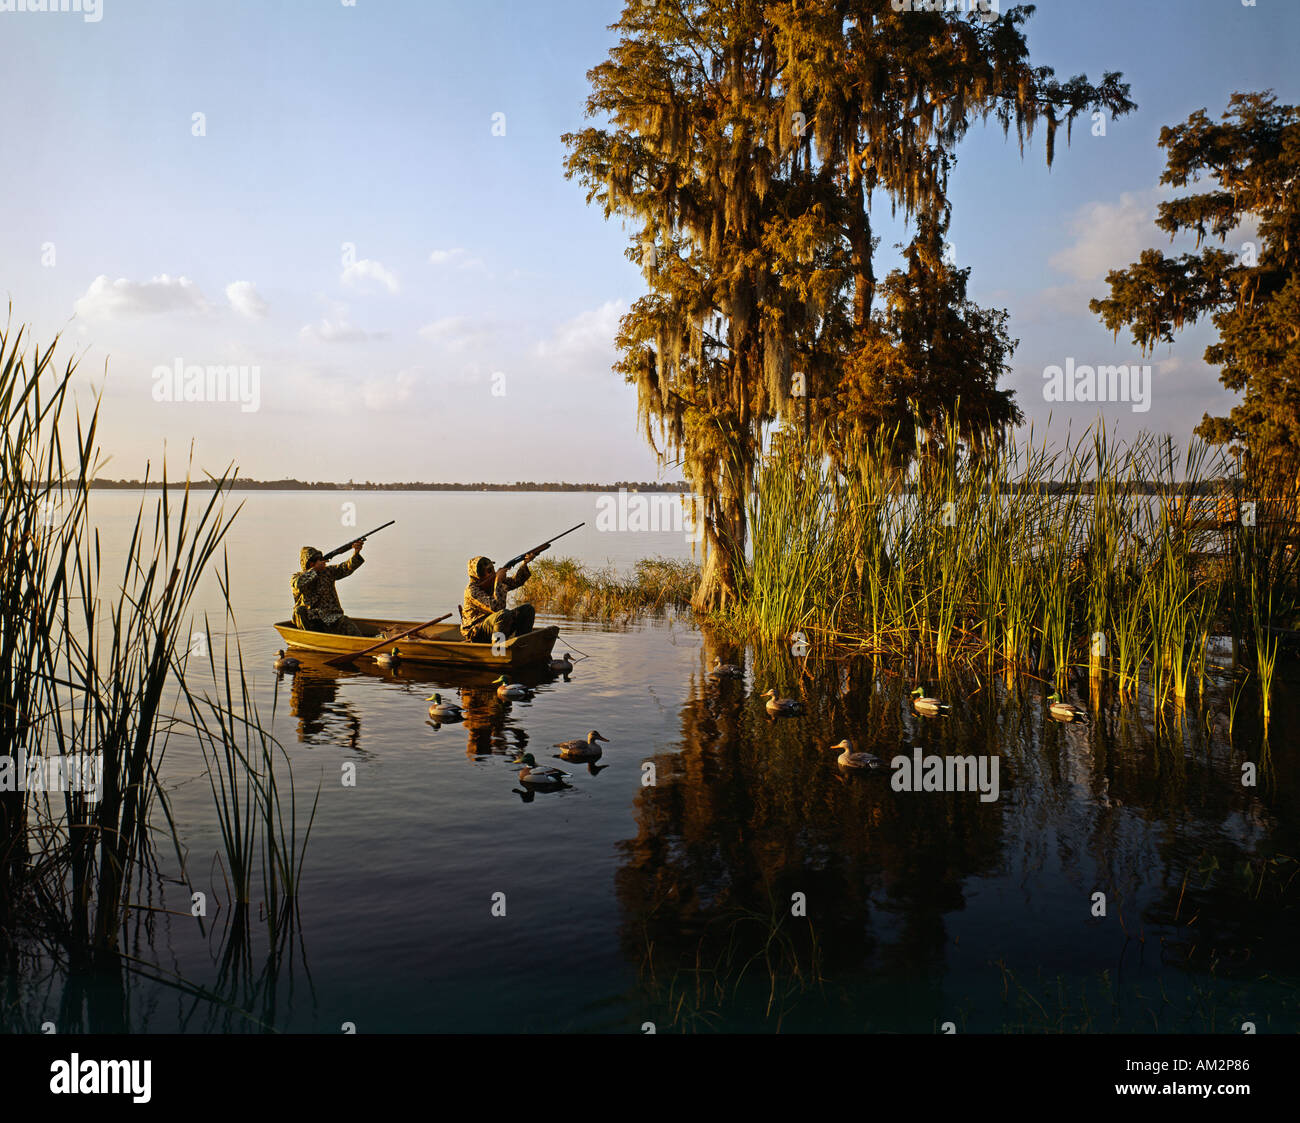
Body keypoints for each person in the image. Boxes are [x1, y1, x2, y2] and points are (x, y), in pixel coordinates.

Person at [291, 540, 366, 635]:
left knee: (345, 622)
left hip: (330, 617)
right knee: (299, 611)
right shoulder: (297, 577)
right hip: (311, 619)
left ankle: (363, 643)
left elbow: (346, 567)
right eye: (314, 561)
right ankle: (310, 638)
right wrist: (315, 570)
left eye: (319, 559)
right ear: (308, 563)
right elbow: (298, 584)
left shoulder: (328, 572)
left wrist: (356, 552)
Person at [460, 553, 537, 642]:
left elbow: (517, 581)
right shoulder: (472, 590)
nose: (491, 573)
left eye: (492, 569)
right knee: (503, 615)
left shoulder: (493, 582)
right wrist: (498, 581)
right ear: (477, 574)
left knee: (527, 609)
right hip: (475, 631)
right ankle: (498, 651)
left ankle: (521, 644)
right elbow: (497, 608)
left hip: (494, 625)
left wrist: (525, 563)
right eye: (488, 571)